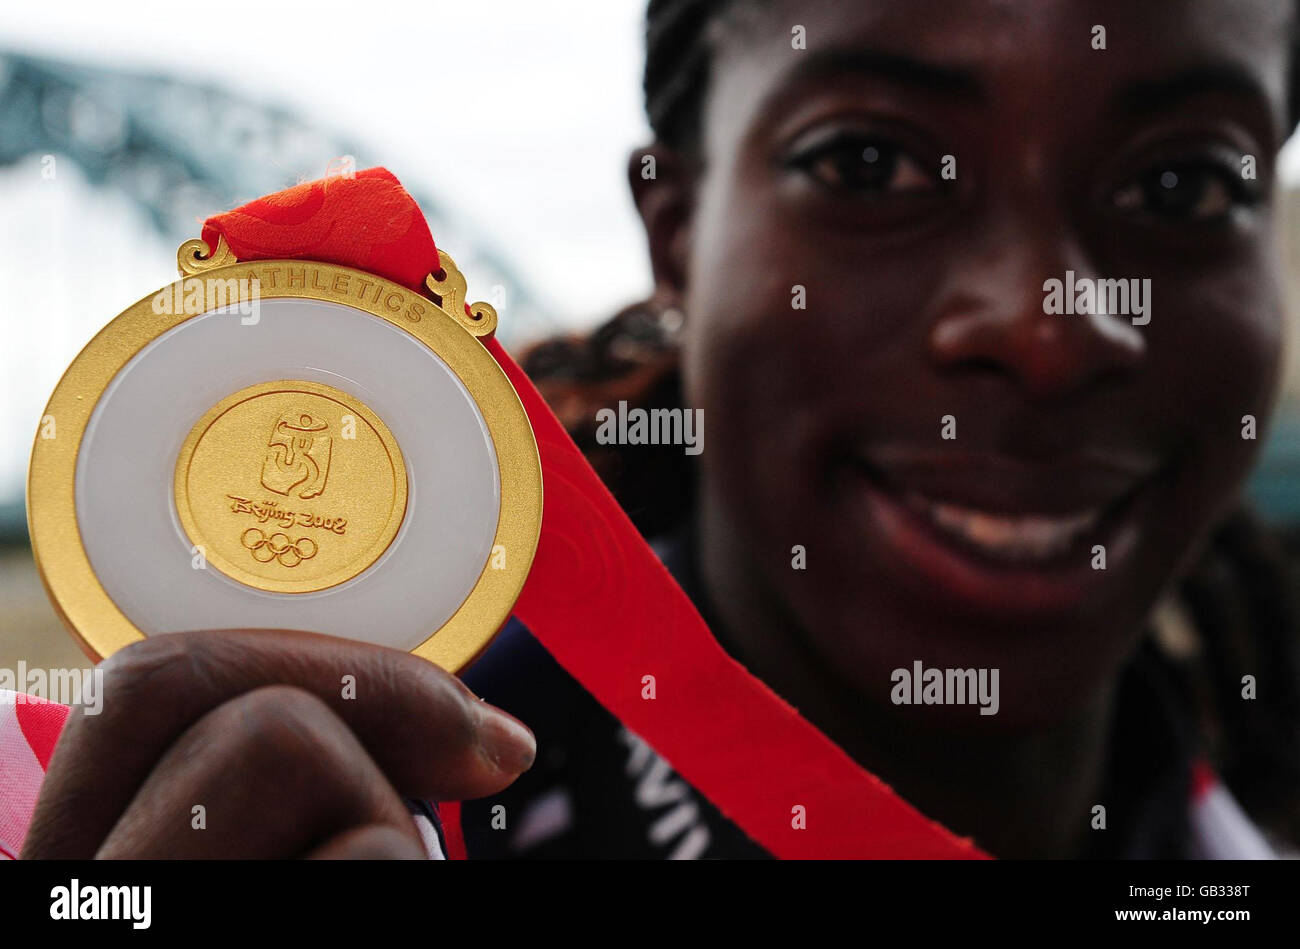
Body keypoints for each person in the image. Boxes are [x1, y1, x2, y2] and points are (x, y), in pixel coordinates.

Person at [16, 0, 1300, 859]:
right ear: (674, 231)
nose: (1046, 326)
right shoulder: (261, 814)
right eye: (870, 166)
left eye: (1183, 183)